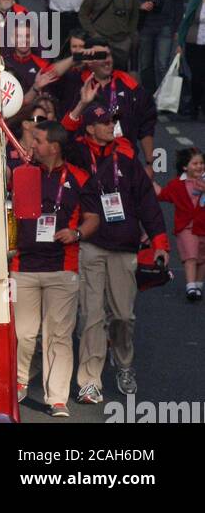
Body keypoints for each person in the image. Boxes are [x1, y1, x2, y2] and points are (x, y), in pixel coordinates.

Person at [70, 103, 168, 403]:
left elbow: (147, 203)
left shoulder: (126, 157)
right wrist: (79, 106)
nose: (113, 124)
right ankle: (90, 380)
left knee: (123, 316)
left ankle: (124, 364)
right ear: (89, 128)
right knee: (91, 315)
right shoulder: (75, 154)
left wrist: (160, 243)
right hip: (90, 246)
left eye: (114, 120)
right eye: (106, 121)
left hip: (124, 247)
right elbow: (59, 133)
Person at [11, 121, 99, 417]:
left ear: (55, 147)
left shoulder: (80, 177)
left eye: (38, 140)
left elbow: (92, 218)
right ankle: (20, 381)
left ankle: (57, 398)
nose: (32, 144)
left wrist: (76, 234)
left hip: (63, 267)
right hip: (22, 266)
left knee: (58, 335)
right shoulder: (22, 172)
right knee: (22, 333)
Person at [59, 44, 157, 173]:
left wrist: (150, 164)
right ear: (89, 61)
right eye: (101, 56)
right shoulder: (75, 81)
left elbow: (146, 125)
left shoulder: (129, 84)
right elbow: (47, 74)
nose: (107, 60)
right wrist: (75, 58)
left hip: (124, 161)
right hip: (86, 163)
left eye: (109, 55)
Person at [157, 148, 205, 302]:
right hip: (186, 226)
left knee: (202, 257)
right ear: (185, 167)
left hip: (203, 225)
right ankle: (190, 285)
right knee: (190, 254)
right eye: (195, 163)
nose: (199, 166)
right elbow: (163, 195)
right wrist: (147, 181)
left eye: (201, 163)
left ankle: (198, 284)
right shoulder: (177, 184)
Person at [135, 0, 184, 93]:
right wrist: (141, 4)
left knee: (163, 64)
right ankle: (148, 97)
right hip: (146, 24)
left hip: (165, 25)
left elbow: (178, 3)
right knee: (145, 64)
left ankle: (162, 99)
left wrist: (177, 28)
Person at [78, 0, 140, 71]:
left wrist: (130, 36)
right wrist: (94, 34)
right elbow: (83, 14)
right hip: (101, 41)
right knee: (100, 74)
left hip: (122, 43)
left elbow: (135, 15)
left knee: (120, 75)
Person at [177, 0, 205, 119]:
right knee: (197, 75)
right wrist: (180, 43)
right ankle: (195, 105)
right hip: (194, 41)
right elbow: (186, 21)